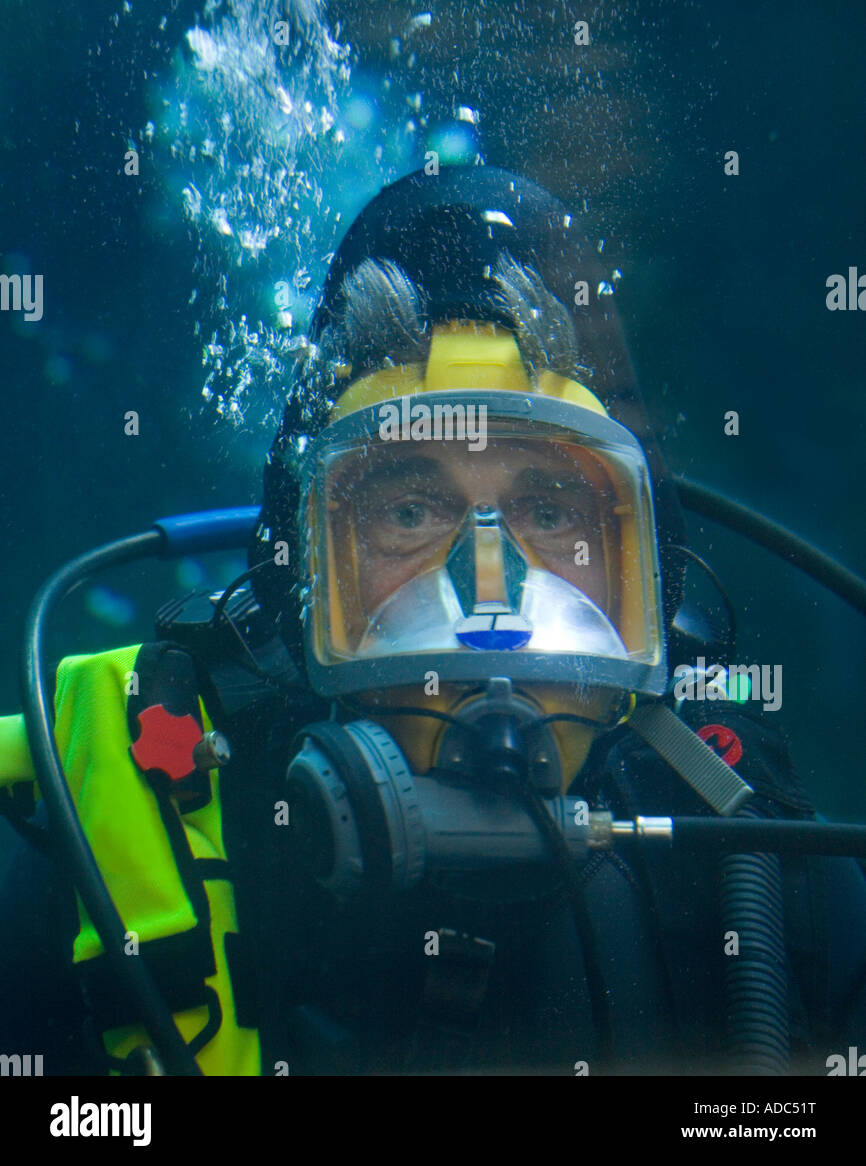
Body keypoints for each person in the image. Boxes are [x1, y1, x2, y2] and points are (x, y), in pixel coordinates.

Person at [1, 164, 865, 1077]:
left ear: (638, 573)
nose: (489, 599)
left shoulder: (770, 887)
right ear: (305, 582)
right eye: (409, 512)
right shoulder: (89, 850)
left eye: (551, 511)